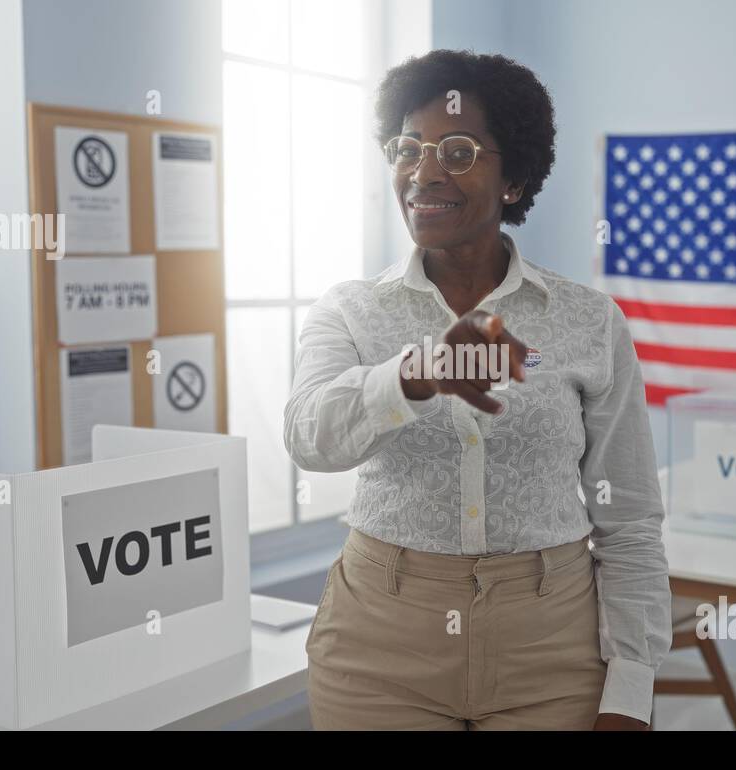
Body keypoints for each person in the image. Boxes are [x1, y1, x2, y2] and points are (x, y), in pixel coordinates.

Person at [284, 49, 672, 730]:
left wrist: (632, 687)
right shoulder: (350, 309)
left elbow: (630, 518)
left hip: (551, 645)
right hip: (381, 641)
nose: (424, 171)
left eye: (459, 152)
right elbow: (308, 436)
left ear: (515, 178)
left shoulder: (588, 319)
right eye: (408, 148)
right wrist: (414, 374)